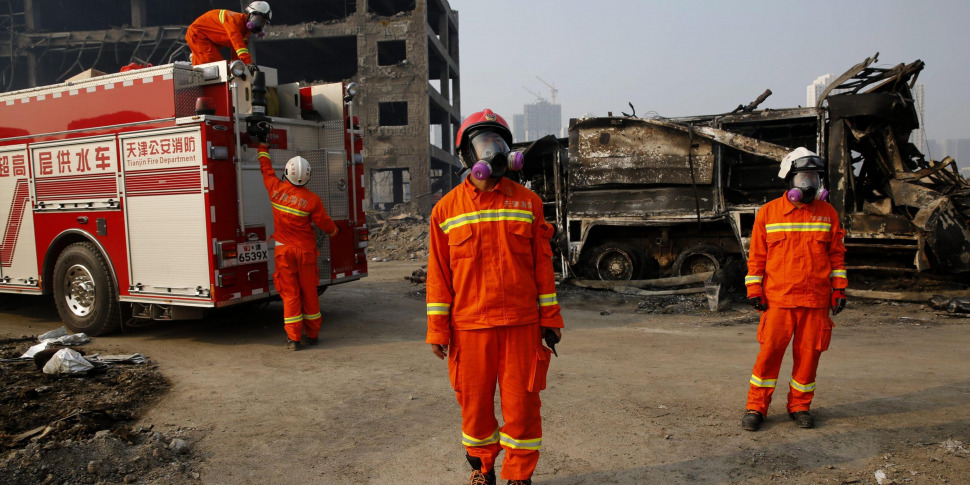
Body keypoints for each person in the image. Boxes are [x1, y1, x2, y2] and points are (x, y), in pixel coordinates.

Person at [426, 109, 564, 485]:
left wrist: (550, 320)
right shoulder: (446, 211)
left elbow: (542, 268)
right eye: (485, 143)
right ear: (467, 156)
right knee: (474, 409)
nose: (494, 151)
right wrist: (438, 329)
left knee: (522, 408)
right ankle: (483, 470)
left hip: (521, 326)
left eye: (499, 142)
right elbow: (438, 276)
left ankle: (519, 476)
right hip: (470, 329)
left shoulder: (528, 203)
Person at [741, 147, 848, 431]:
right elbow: (757, 258)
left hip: (815, 301)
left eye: (813, 178)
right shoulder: (769, 213)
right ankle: (756, 407)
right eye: (803, 179)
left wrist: (839, 289)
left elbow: (836, 256)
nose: (809, 185)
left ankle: (800, 406)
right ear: (789, 181)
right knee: (769, 355)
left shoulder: (827, 213)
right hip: (778, 300)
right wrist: (754, 289)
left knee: (809, 357)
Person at [254, 123, 339, 351]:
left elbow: (266, 168)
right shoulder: (312, 200)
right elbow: (325, 224)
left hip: (284, 252)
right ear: (308, 177)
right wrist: (333, 231)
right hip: (306, 253)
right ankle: (313, 335)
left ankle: (294, 339)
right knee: (309, 294)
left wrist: (262, 145)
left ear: (287, 173)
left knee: (290, 295)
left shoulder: (275, 189)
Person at [186, 1, 272, 70]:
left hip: (208, 40)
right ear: (250, 14)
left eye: (262, 22)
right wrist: (248, 62)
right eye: (258, 20)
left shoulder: (245, 33)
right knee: (218, 68)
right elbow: (237, 43)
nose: (259, 24)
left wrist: (238, 68)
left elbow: (236, 52)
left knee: (199, 72)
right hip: (198, 35)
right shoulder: (234, 20)